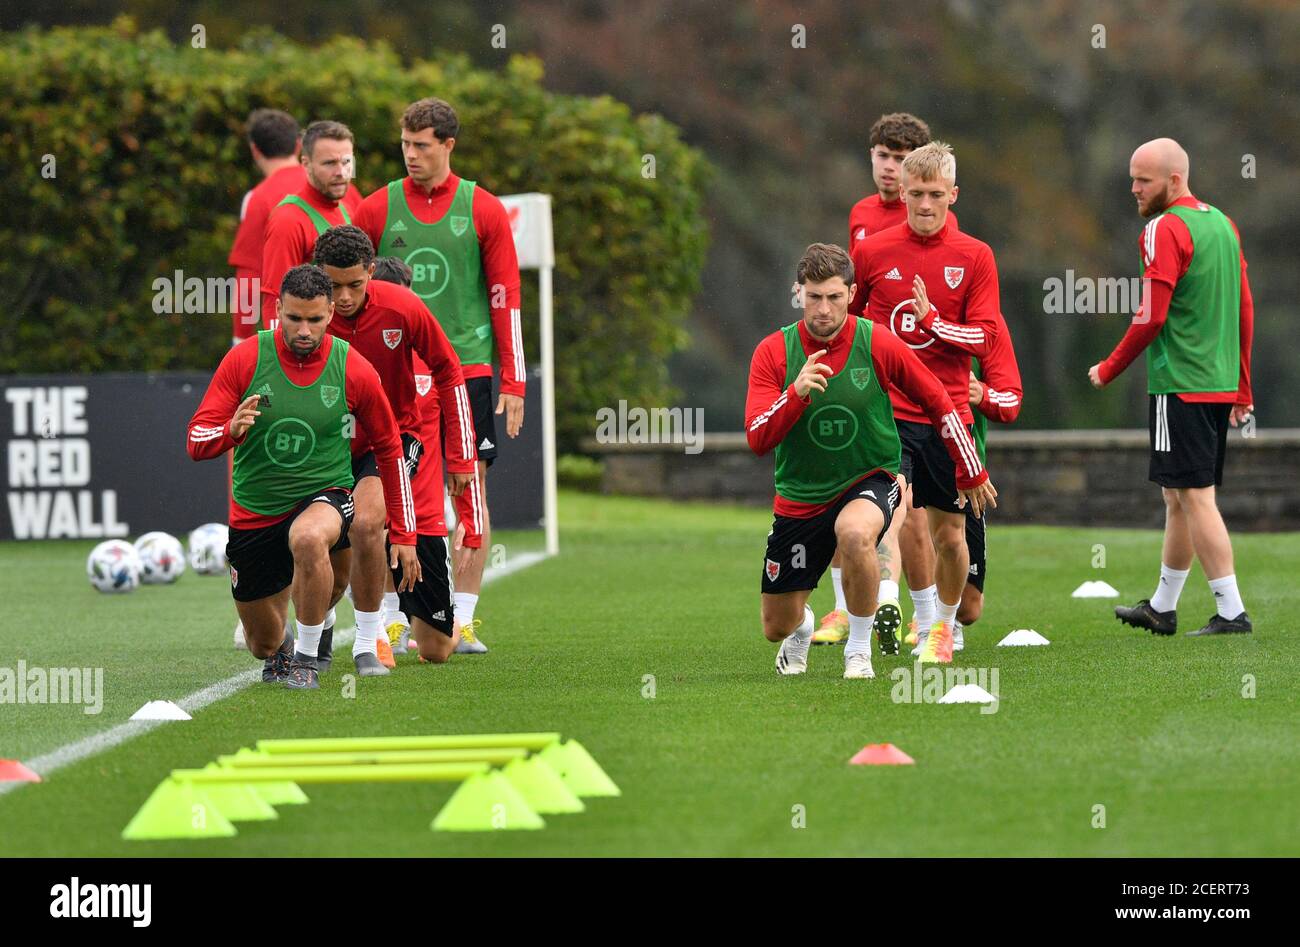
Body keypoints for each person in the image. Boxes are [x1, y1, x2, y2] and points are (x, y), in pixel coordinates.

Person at [745, 243, 994, 679]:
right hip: (801, 495)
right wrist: (795, 394)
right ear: (797, 292)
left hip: (872, 477)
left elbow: (938, 399)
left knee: (856, 533)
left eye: (835, 297)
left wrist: (970, 468)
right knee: (776, 625)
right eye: (814, 296)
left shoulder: (875, 340)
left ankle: (858, 651)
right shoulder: (774, 352)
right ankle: (801, 628)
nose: (823, 309)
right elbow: (758, 437)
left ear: (852, 293)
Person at [186, 265, 420, 689]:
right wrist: (229, 431)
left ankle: (307, 660)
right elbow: (196, 438)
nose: (305, 330)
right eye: (295, 318)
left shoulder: (352, 367)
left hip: (325, 495)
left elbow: (390, 447)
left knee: (309, 538)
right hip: (256, 511)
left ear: (331, 313)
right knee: (262, 642)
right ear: (278, 310)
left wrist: (404, 530)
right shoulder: (246, 358)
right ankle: (286, 647)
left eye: (315, 319)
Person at [354, 97, 523, 653]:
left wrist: (515, 381)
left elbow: (505, 298)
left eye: (422, 146)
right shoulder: (378, 209)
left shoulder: (483, 208)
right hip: (392, 373)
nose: (411, 155)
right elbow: (343, 288)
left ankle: (464, 616)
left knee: (470, 485)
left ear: (448, 145)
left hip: (464, 371)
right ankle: (387, 618)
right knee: (381, 490)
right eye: (405, 145)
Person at [1089, 137, 1255, 637]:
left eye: (1144, 180)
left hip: (1179, 382)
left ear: (1174, 181)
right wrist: (1243, 387)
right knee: (1177, 495)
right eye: (1132, 179)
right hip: (1218, 383)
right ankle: (1162, 606)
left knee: (1195, 495)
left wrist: (1110, 367)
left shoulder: (1164, 227)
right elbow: (1245, 307)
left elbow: (1150, 314)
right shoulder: (1222, 223)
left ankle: (1231, 612)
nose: (1134, 189)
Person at [848, 141, 1003, 663]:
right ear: (901, 192)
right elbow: (852, 324)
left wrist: (933, 321)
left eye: (936, 194)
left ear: (953, 194)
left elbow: (986, 340)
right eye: (916, 193)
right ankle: (888, 604)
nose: (925, 204)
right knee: (893, 510)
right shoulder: (871, 251)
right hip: (890, 411)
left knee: (951, 535)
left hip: (950, 415)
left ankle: (944, 624)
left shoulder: (975, 256)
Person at [817, 111, 957, 647]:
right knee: (848, 491)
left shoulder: (940, 223)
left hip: (929, 391)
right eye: (883, 157)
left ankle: (916, 612)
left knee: (913, 514)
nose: (891, 170)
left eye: (903, 160)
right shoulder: (860, 217)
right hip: (870, 384)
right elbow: (851, 298)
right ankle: (848, 608)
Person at [312, 226, 480, 669]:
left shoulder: (403, 307)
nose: (344, 298)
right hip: (327, 443)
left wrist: (461, 454)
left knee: (436, 650)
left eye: (355, 284)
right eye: (333, 286)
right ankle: (365, 640)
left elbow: (449, 370)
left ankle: (379, 619)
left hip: (394, 438)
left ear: (371, 271)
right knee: (360, 525)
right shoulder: (305, 316)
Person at [260, 120, 364, 330]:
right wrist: (280, 358)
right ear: (306, 164)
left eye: (346, 162)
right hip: (313, 354)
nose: (341, 172)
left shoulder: (348, 206)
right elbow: (275, 299)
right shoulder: (288, 220)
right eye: (329, 163)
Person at [227, 109, 305, 345]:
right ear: (298, 145)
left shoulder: (259, 198)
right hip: (340, 321)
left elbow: (249, 274)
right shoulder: (342, 191)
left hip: (286, 329)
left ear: (254, 150)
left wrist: (240, 338)